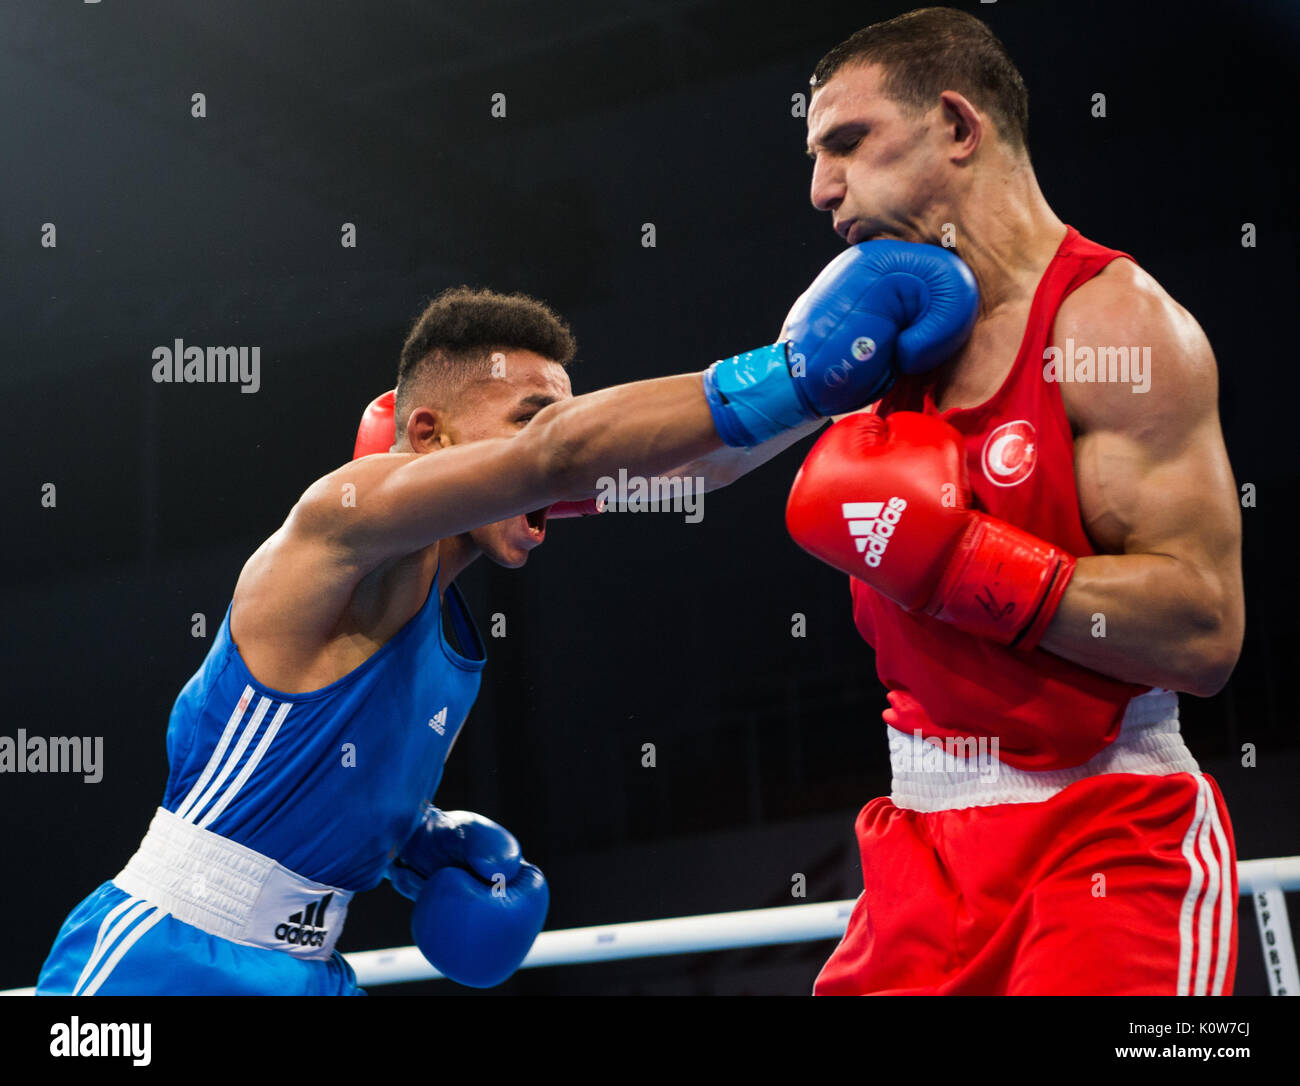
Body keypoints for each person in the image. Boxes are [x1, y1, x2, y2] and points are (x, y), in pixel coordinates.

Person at [36, 238, 978, 993]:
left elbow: (683, 465)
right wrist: (786, 369)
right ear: (427, 435)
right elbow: (563, 457)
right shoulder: (345, 520)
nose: (555, 436)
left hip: (310, 968)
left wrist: (838, 383)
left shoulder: (448, 623)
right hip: (167, 957)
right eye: (529, 414)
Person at [776, 8, 1244, 995]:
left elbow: (1200, 632)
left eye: (847, 144)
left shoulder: (1114, 324)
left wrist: (960, 564)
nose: (820, 188)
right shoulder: (864, 341)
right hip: (918, 842)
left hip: (1108, 834)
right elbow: (692, 457)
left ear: (956, 124)